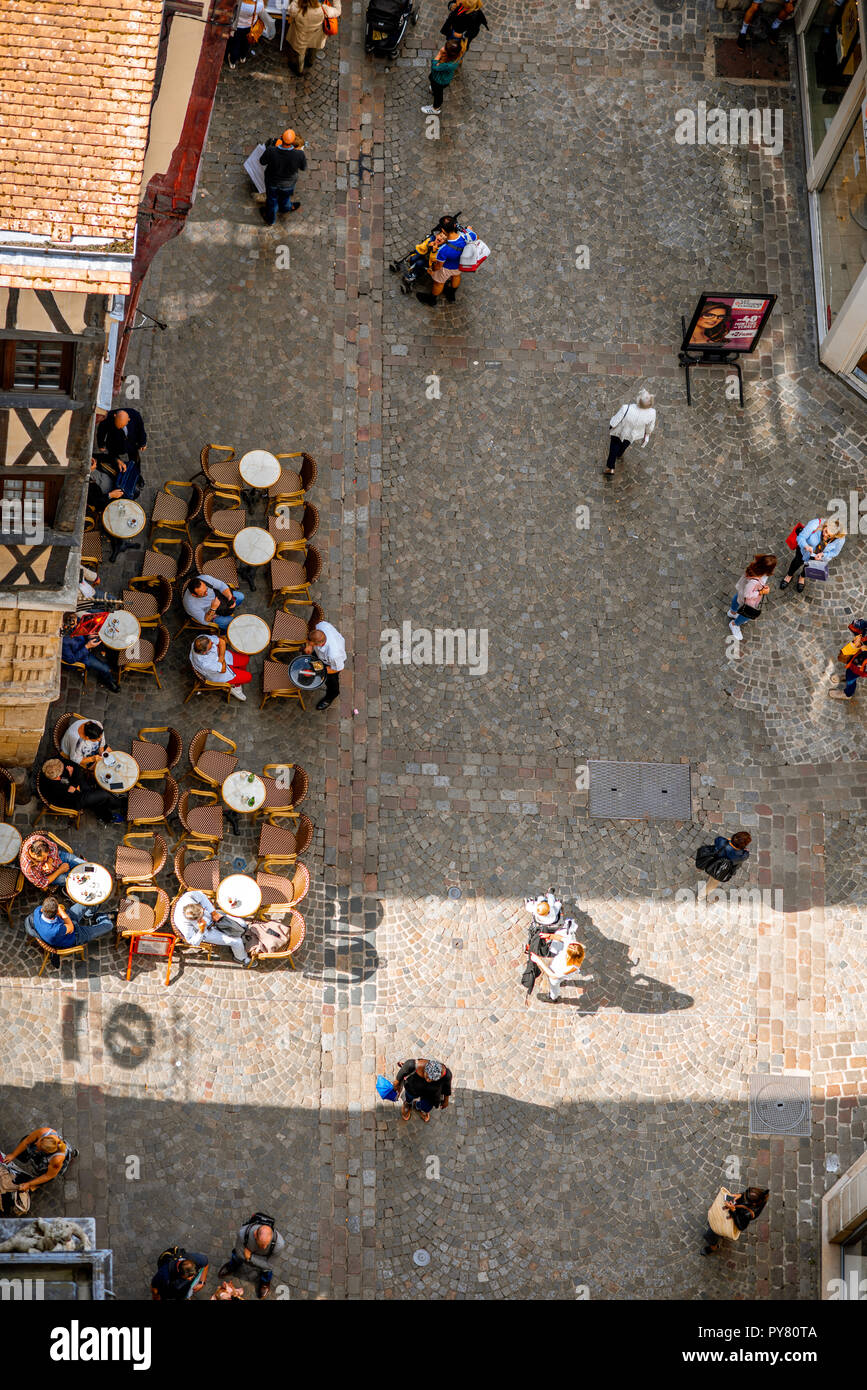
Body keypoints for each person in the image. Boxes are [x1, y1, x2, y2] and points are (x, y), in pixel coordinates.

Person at [172, 890, 252, 965]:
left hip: (212, 916)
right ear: (196, 920)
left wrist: (213, 912)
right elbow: (193, 941)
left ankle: (241, 935)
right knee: (236, 941)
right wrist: (201, 930)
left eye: (202, 911)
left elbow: (202, 896)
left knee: (242, 923)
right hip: (206, 932)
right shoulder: (182, 923)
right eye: (201, 917)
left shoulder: (188, 897)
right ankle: (241, 958)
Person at [39, 758, 125, 826]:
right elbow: (76, 796)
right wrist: (72, 777)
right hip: (73, 801)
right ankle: (119, 804)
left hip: (75, 787)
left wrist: (74, 783)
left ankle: (105, 815)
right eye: (62, 771)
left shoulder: (55, 762)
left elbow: (76, 768)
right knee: (104, 795)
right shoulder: (56, 788)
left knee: (97, 796)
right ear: (57, 777)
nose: (64, 767)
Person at [218, 1213, 286, 1299]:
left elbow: (269, 1265)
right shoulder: (243, 1233)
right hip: (260, 1258)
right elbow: (239, 1253)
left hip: (249, 1255)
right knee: (236, 1257)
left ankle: (265, 1282)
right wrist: (262, 1260)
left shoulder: (279, 1244)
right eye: (261, 1245)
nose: (264, 1248)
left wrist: (250, 1257)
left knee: (267, 1271)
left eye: (266, 1245)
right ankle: (232, 1266)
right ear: (255, 1234)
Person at [416, 220, 479, 307]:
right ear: (454, 226)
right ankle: (451, 294)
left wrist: (432, 269)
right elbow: (476, 239)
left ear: (443, 230)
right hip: (461, 264)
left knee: (439, 283)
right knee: (456, 276)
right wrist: (468, 230)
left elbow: (438, 267)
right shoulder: (468, 235)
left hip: (447, 267)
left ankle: (431, 300)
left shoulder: (444, 249)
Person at [3, 1126, 78, 1195]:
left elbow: (48, 1176)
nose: (35, 1143)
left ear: (45, 1152)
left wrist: (29, 1184)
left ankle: (71, 1154)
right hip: (47, 1153)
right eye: (39, 1141)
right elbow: (27, 1141)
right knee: (27, 1148)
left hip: (53, 1162)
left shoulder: (56, 1160)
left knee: (42, 1173)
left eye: (38, 1147)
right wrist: (13, 1155)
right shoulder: (44, 1132)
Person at [780, 517, 845, 595]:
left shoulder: (840, 539)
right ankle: (789, 575)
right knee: (797, 562)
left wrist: (823, 555)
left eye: (829, 536)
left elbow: (834, 552)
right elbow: (801, 537)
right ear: (826, 526)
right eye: (825, 531)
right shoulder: (815, 524)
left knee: (809, 567)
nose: (825, 535)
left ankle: (802, 577)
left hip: (817, 558)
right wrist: (806, 546)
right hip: (804, 551)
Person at [27, 894, 115, 951]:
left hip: (66, 920)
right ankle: (101, 916)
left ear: (42, 909)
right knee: (109, 925)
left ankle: (89, 915)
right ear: (56, 914)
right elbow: (71, 927)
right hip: (75, 935)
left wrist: (61, 913)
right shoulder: (55, 930)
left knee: (90, 899)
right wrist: (61, 912)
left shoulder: (37, 911)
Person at [61, 612, 119, 692]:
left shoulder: (75, 620)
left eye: (76, 620)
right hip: (83, 656)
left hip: (87, 642)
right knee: (106, 668)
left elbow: (83, 629)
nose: (78, 624)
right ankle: (108, 681)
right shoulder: (64, 641)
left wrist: (88, 635)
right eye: (75, 624)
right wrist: (87, 646)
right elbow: (71, 660)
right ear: (65, 625)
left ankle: (110, 657)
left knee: (107, 640)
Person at [259, 129, 307, 225]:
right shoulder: (299, 154)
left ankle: (271, 220)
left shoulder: (271, 150)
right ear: (293, 142)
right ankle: (286, 208)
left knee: (272, 201)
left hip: (272, 182)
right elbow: (303, 168)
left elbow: (262, 162)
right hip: (288, 184)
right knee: (285, 197)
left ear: (281, 137)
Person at [702, 1185, 769, 1254]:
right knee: (711, 1225)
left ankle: (713, 1247)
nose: (743, 1196)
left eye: (745, 1197)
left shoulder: (748, 1214)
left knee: (710, 1235)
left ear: (752, 1203)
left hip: (730, 1220)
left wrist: (733, 1210)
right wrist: (740, 1195)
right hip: (735, 1212)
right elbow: (746, 1196)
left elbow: (741, 1226)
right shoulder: (760, 1195)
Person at [603, 390, 656, 474]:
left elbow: (617, 419)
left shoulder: (626, 408)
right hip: (633, 435)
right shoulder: (652, 413)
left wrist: (612, 425)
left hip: (619, 432)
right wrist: (647, 434)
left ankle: (610, 467)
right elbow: (650, 427)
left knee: (613, 448)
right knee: (625, 444)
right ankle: (620, 453)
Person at [726, 554, 777, 642]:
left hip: (741, 592)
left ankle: (732, 612)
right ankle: (734, 624)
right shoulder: (754, 581)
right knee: (747, 615)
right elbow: (748, 595)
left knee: (738, 598)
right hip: (748, 600)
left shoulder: (754, 567)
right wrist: (761, 591)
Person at [95, 408, 147, 490]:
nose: (120, 428)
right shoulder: (108, 418)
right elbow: (101, 431)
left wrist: (143, 442)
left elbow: (141, 429)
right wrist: (101, 444)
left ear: (128, 420)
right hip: (114, 443)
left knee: (135, 460)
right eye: (118, 426)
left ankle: (137, 476)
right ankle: (121, 476)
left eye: (122, 426)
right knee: (115, 460)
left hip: (132, 442)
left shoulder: (135, 415)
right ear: (115, 416)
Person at [189, 634, 252, 702]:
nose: (213, 643)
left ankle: (238, 677)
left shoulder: (201, 639)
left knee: (246, 659)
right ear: (205, 652)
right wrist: (220, 652)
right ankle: (235, 686)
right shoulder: (205, 664)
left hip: (222, 660)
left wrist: (221, 657)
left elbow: (222, 641)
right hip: (220, 675)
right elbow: (223, 670)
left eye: (212, 642)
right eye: (211, 646)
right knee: (248, 677)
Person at [286, 0, 341, 75]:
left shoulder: (297, 8)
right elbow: (337, 11)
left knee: (300, 53)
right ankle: (310, 62)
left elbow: (290, 11)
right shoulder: (323, 9)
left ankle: (299, 70)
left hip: (300, 36)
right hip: (315, 36)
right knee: (313, 48)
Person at [393, 1058, 453, 1124]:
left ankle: (418, 1106)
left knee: (426, 1106)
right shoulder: (412, 1065)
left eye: (432, 1079)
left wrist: (446, 1100)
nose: (428, 1080)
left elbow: (447, 1087)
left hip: (430, 1093)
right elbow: (397, 1081)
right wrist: (396, 1088)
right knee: (409, 1096)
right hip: (413, 1087)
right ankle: (408, 1103)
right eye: (427, 1076)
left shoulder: (446, 1075)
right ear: (425, 1069)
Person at [304, 622, 346, 711]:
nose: (308, 643)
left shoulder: (334, 655)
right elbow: (311, 636)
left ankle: (331, 696)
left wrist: (322, 670)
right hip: (320, 655)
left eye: (311, 643)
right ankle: (314, 672)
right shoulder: (320, 626)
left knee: (331, 682)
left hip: (332, 665)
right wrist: (309, 646)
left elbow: (338, 668)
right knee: (313, 663)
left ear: (318, 644)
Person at [19, 834, 85, 890]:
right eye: (43, 858)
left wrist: (49, 861)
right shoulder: (28, 868)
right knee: (75, 880)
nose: (46, 859)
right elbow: (43, 882)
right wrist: (60, 870)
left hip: (58, 857)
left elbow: (54, 848)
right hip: (51, 875)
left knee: (83, 864)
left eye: (46, 856)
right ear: (34, 855)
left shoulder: (38, 839)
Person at [421, 39, 463, 118]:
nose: (443, 48)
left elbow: (434, 67)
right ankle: (433, 89)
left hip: (440, 81)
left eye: (445, 47)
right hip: (438, 77)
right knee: (431, 78)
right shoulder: (455, 57)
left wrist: (440, 53)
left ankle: (435, 108)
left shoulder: (448, 64)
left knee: (438, 95)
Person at [702, 830, 751, 897]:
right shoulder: (743, 855)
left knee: (712, 875)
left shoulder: (721, 841)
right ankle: (701, 896)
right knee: (712, 883)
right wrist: (745, 851)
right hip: (723, 870)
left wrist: (728, 840)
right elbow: (744, 856)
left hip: (714, 862)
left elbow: (717, 841)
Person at [830, 619, 867, 703]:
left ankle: (848, 694)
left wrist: (864, 648)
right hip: (860, 656)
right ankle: (848, 676)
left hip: (863, 664)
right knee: (850, 670)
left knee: (852, 676)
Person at [227, 0, 266, 67]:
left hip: (237, 27)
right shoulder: (259, 4)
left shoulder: (238, 2)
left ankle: (232, 62)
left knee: (235, 44)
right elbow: (261, 13)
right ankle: (243, 57)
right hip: (250, 26)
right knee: (246, 43)